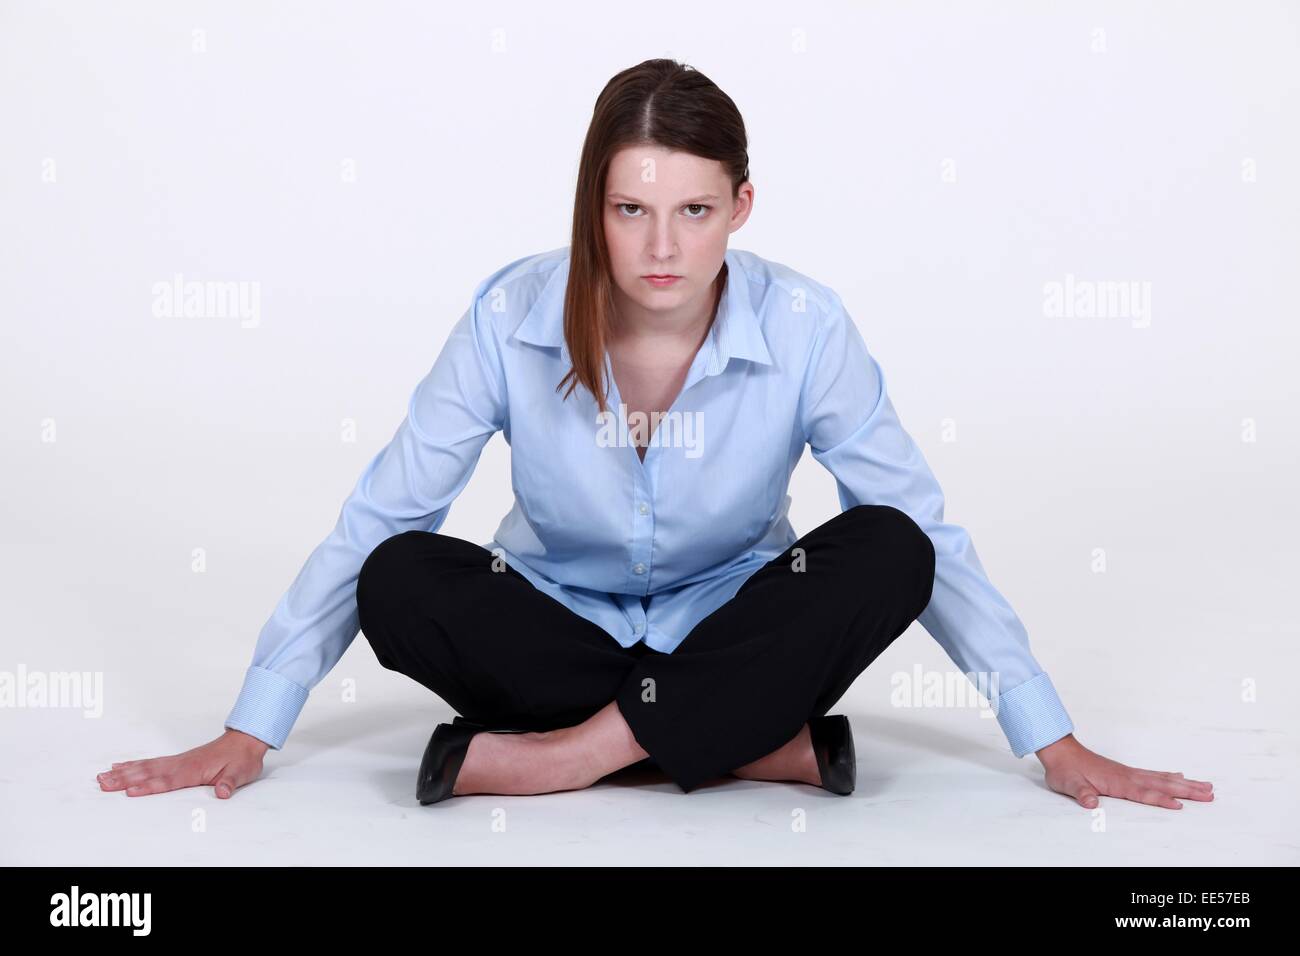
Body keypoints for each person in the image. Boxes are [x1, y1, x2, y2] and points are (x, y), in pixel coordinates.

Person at [97, 58, 1213, 810]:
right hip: (564, 627)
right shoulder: (508, 318)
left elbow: (922, 526)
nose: (661, 247)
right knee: (400, 574)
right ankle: (755, 743)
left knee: (888, 546)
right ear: (593, 207)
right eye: (631, 209)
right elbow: (387, 509)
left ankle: (579, 753)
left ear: (741, 206)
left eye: (693, 210)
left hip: (730, 619)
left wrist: (1048, 732)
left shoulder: (806, 325)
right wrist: (255, 720)